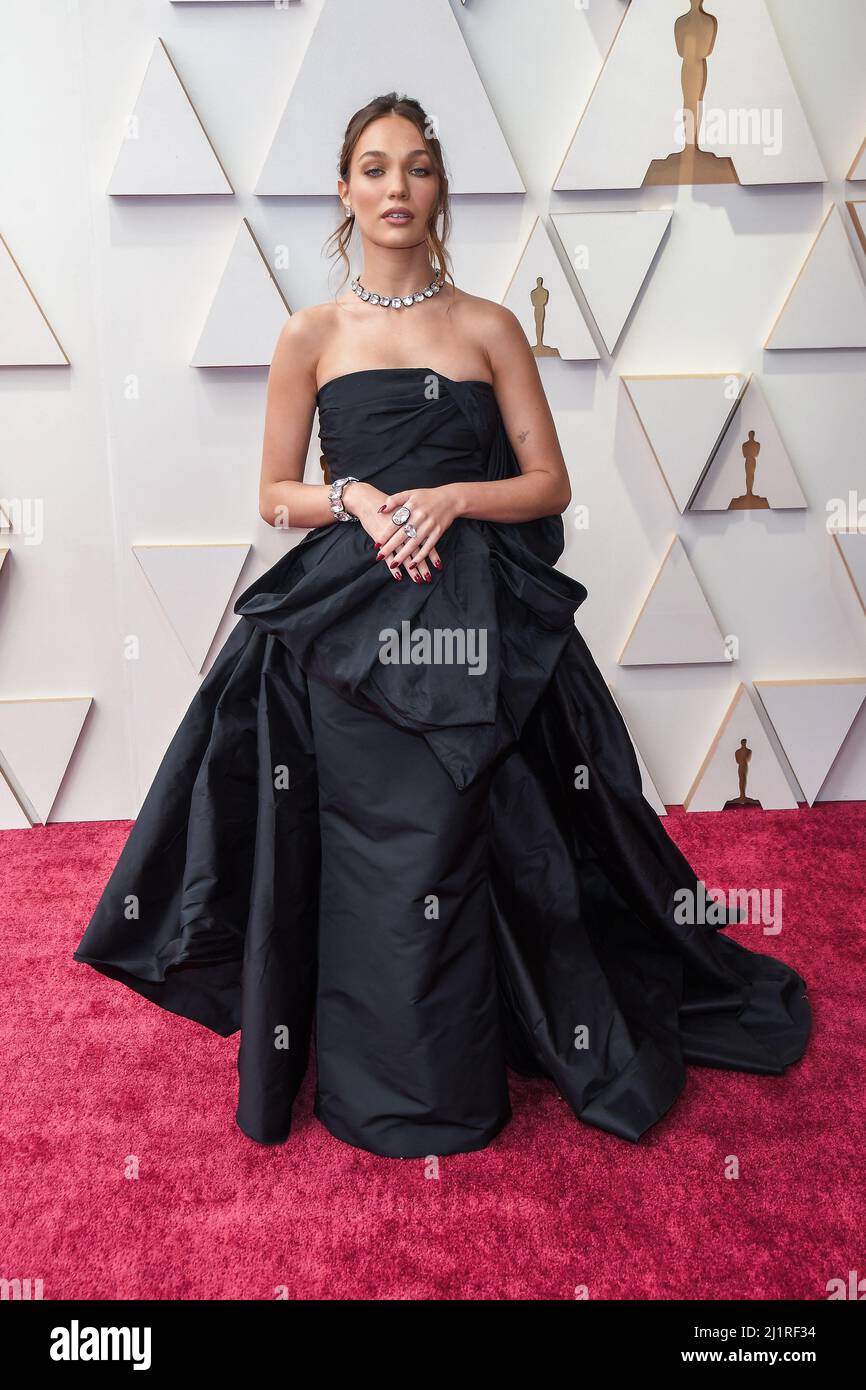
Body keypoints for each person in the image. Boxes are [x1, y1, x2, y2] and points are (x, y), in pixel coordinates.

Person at [72, 92, 811, 1160]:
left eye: (416, 168)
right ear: (343, 190)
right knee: (369, 850)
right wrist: (361, 499)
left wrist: (458, 496)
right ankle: (376, 1075)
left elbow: (547, 481)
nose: (395, 189)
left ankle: (471, 1062)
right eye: (373, 169)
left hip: (479, 617)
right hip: (347, 616)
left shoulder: (488, 326)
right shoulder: (310, 334)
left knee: (473, 839)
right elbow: (275, 493)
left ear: (439, 188)